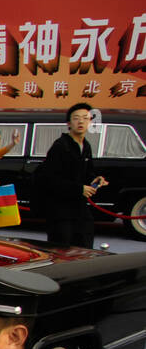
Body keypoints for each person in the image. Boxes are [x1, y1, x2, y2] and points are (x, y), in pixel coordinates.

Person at [41, 103, 108, 249]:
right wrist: (79, 189)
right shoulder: (60, 146)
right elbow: (50, 180)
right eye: (76, 118)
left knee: (84, 247)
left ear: (90, 122)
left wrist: (96, 179)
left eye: (85, 118)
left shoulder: (86, 145)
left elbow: (87, 172)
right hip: (60, 210)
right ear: (68, 123)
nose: (81, 122)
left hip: (80, 207)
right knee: (61, 250)